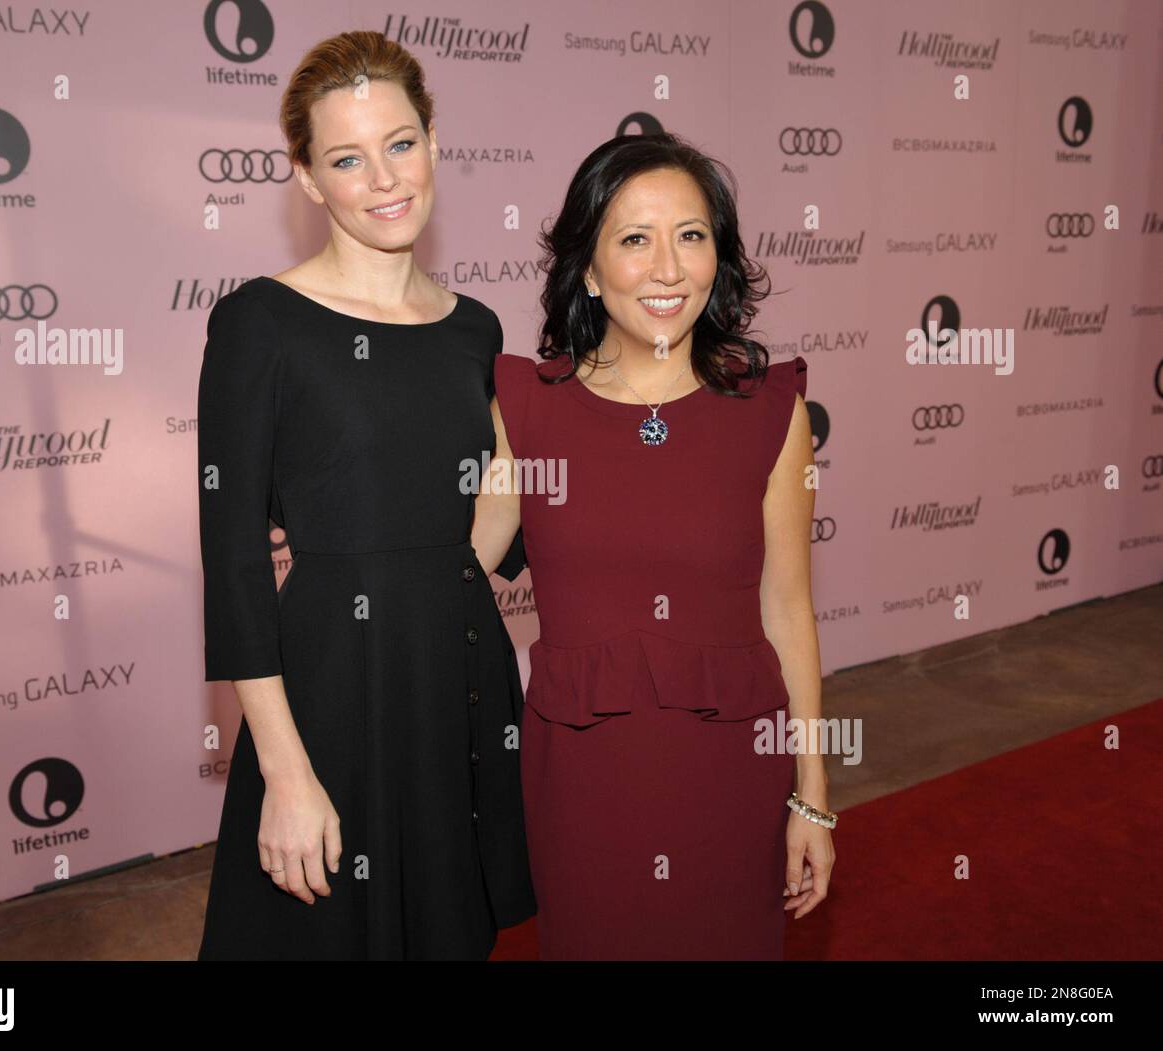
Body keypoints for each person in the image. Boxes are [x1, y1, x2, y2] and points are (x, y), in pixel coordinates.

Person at [195, 30, 534, 960]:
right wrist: (283, 771)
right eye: (347, 157)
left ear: (433, 141)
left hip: (459, 678)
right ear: (307, 178)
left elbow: (485, 541)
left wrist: (539, 438)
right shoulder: (260, 323)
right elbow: (232, 564)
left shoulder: (476, 329)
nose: (385, 178)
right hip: (332, 691)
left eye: (400, 142)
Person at [471, 133, 836, 959]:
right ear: (590, 270)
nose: (669, 268)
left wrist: (811, 794)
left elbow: (788, 608)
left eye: (693, 235)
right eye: (635, 239)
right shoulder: (529, 408)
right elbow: (452, 566)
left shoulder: (772, 413)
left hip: (730, 770)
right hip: (584, 779)